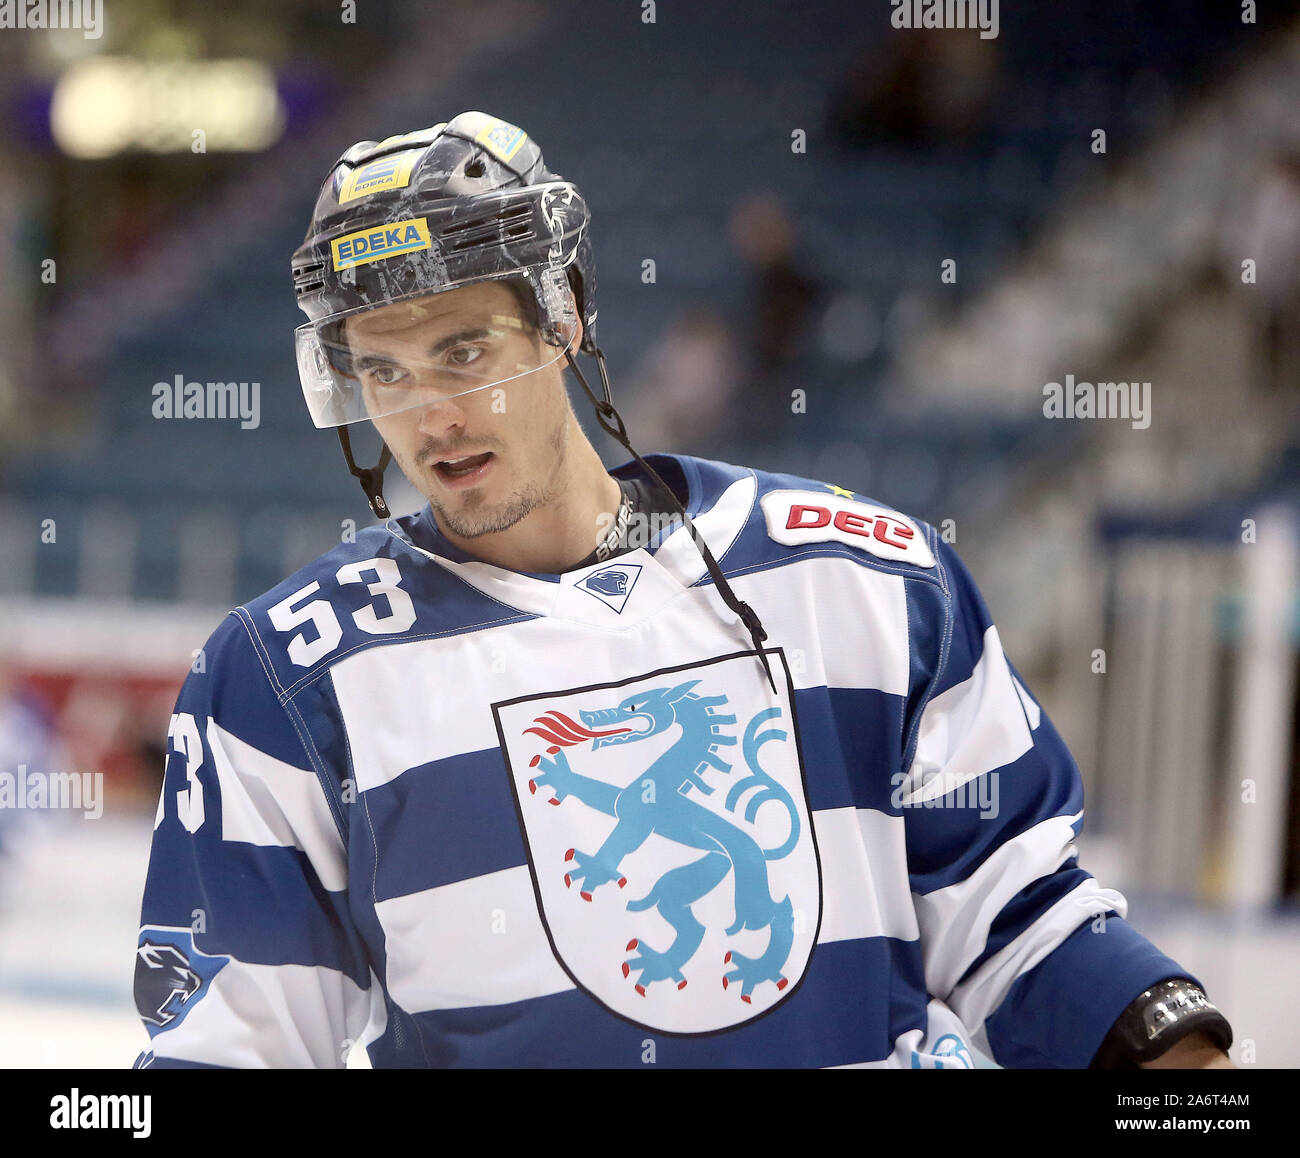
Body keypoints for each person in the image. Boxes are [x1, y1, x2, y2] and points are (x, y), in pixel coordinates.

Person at [132, 111, 1232, 1069]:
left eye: (465, 353)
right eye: (384, 371)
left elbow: (1023, 926)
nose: (432, 418)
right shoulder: (283, 681)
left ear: (563, 316)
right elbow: (230, 1048)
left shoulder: (860, 576)